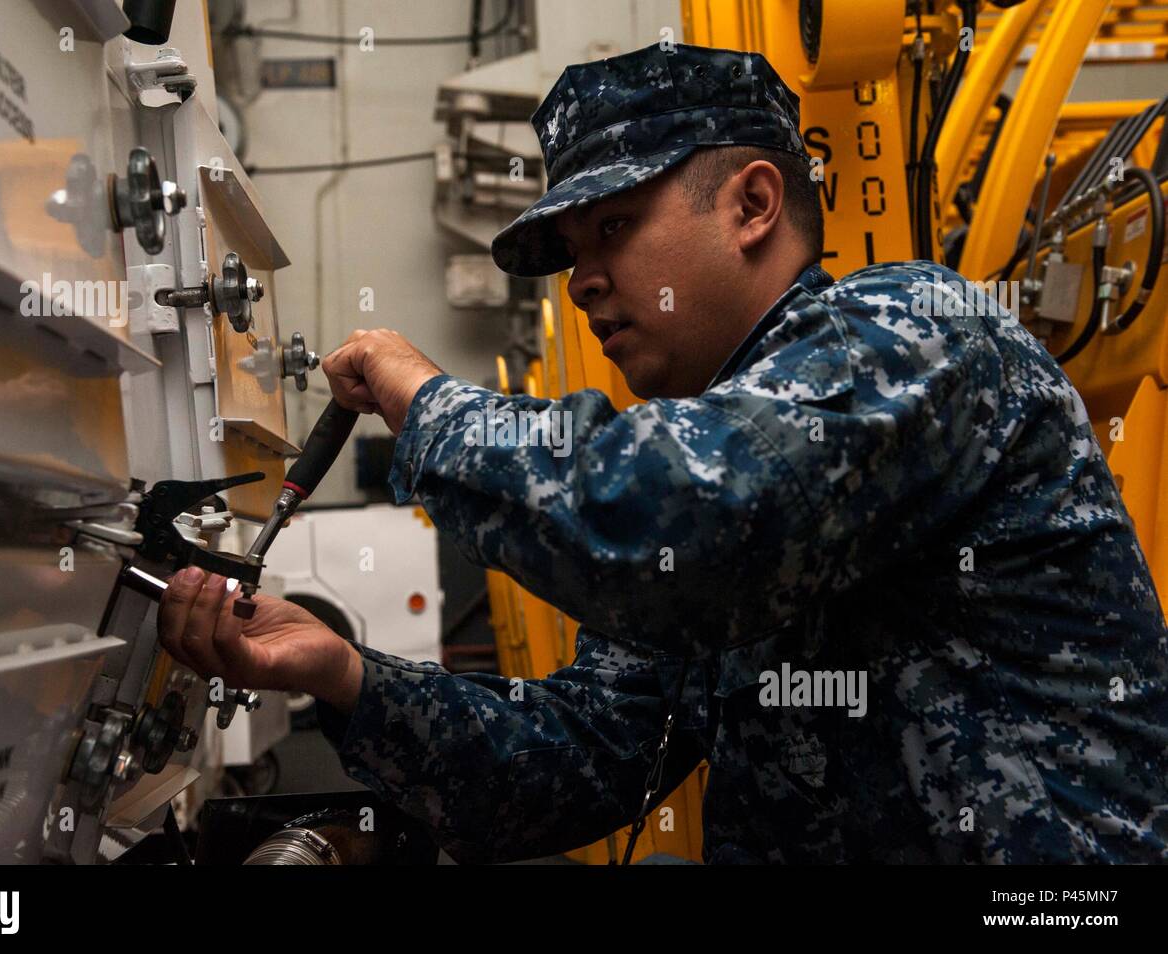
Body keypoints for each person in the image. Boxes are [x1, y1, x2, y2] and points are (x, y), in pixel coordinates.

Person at [158, 43, 1168, 863]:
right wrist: (339, 672)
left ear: (752, 205)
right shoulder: (724, 460)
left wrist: (424, 399)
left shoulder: (917, 334)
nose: (583, 282)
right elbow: (580, 757)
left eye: (614, 228)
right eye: (572, 253)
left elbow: (662, 518)